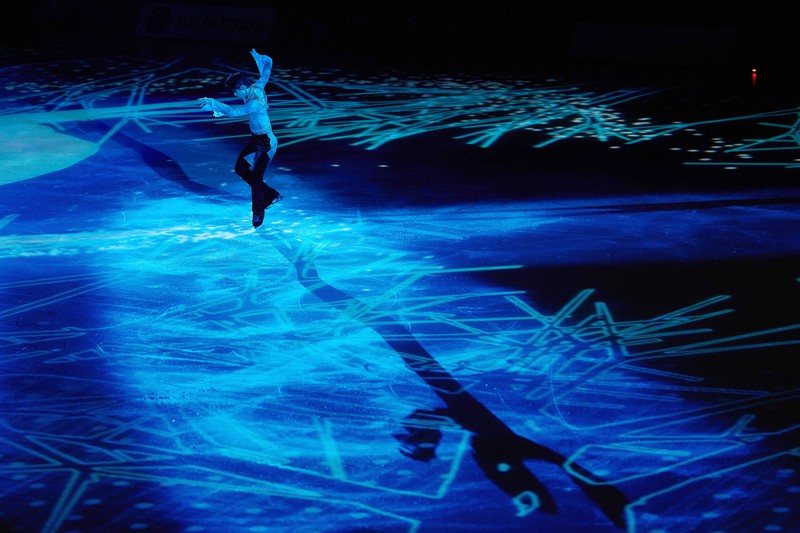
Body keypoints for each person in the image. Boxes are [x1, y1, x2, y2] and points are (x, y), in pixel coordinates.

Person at [197, 49, 280, 228]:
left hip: (266, 143)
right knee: (240, 168)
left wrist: (213, 102)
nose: (235, 95)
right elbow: (265, 73)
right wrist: (262, 59)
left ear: (243, 88)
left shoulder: (255, 101)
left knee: (256, 179)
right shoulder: (256, 86)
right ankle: (270, 194)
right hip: (257, 139)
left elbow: (236, 112)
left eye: (235, 92)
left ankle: (258, 211)